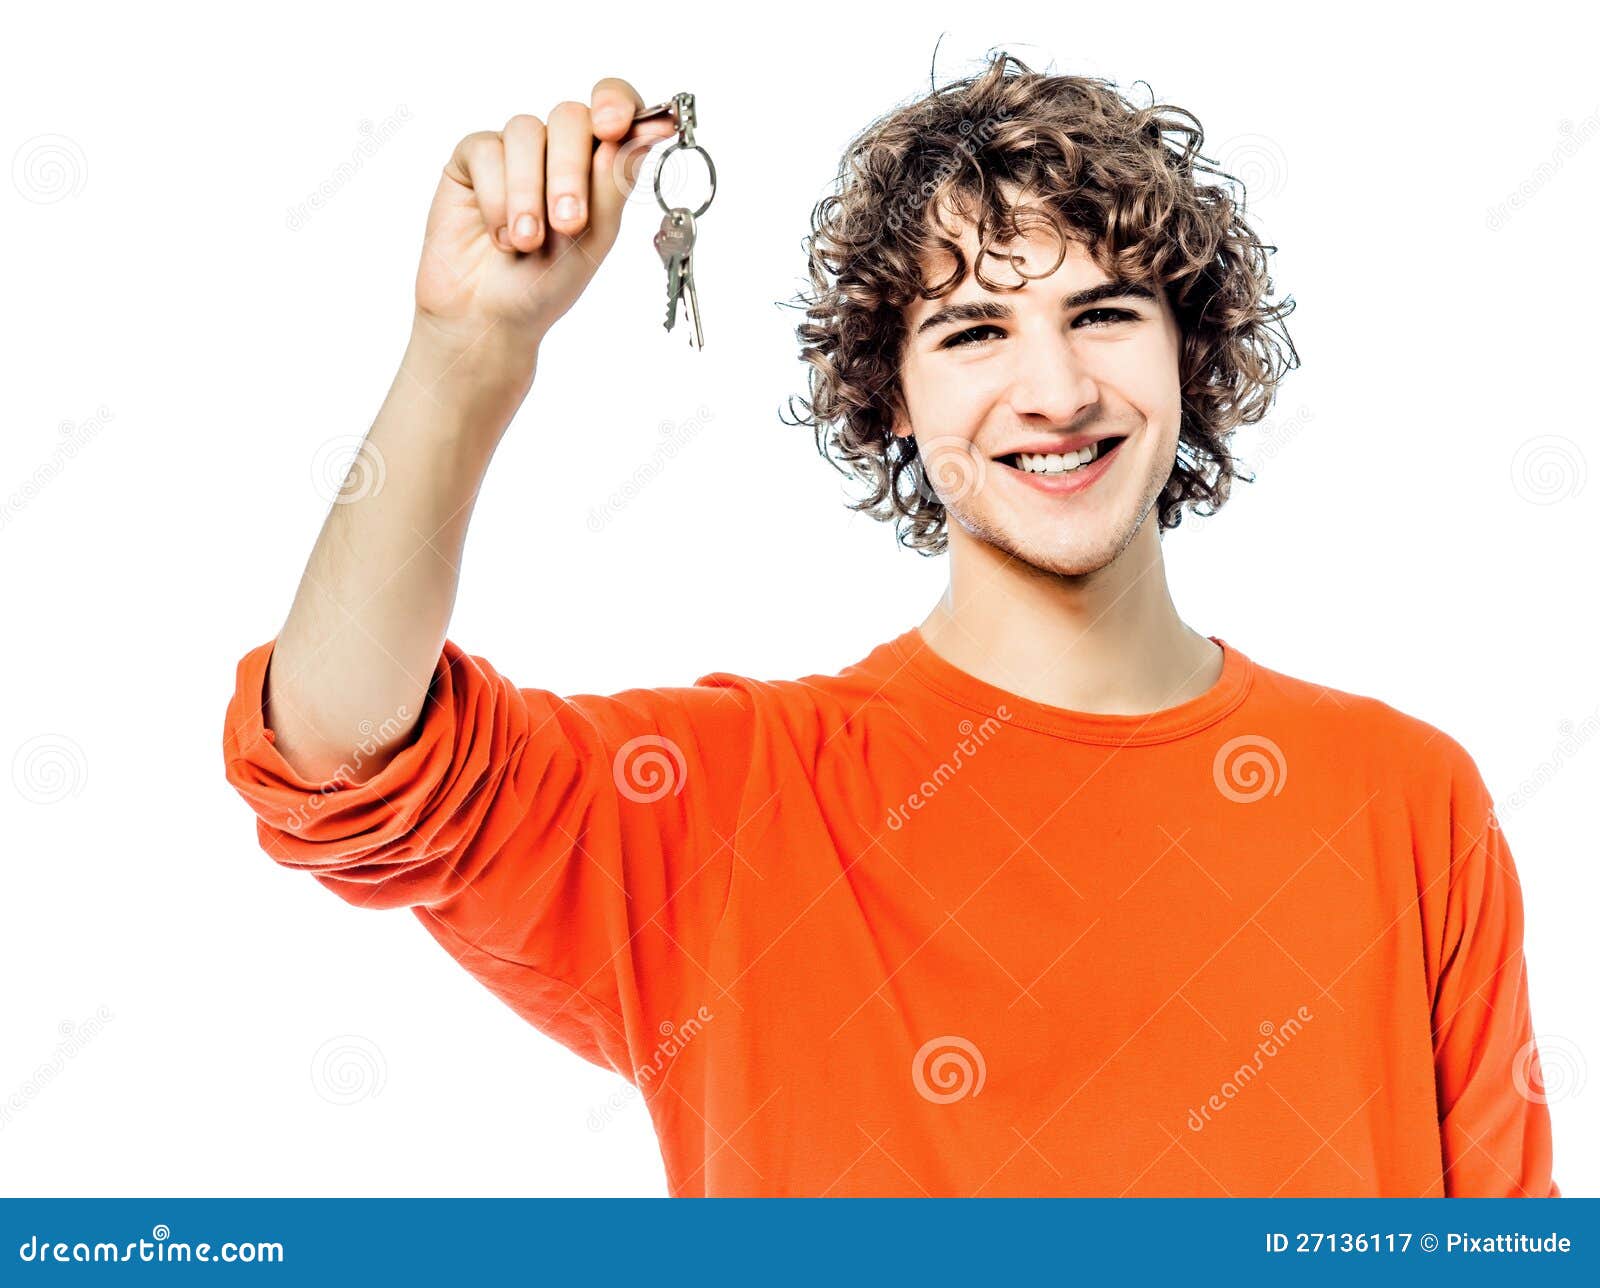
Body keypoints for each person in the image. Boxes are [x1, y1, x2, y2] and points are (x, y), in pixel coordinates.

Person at [221, 52, 1560, 1197]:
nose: (1054, 387)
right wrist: (468, 356)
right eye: (974, 333)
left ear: (1187, 354)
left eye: (1103, 313)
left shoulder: (1401, 799)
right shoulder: (732, 807)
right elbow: (338, 751)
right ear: (891, 397)